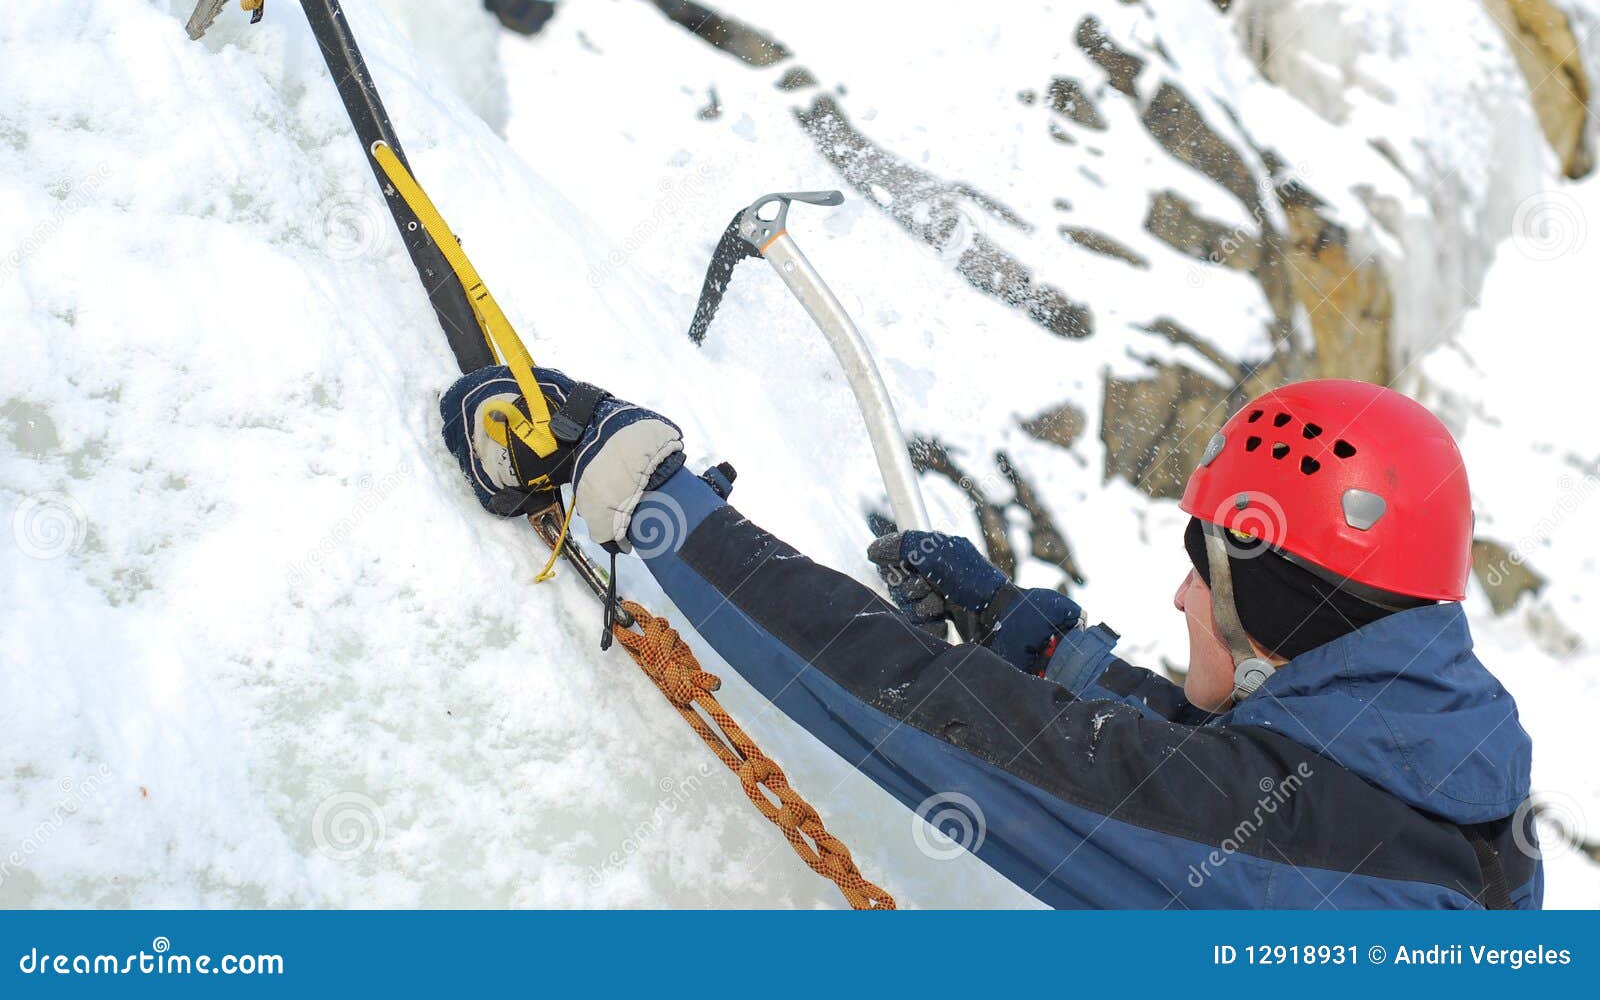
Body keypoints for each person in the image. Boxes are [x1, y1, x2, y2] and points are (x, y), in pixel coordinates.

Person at [440, 369, 1541, 909]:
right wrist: (1037, 645)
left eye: (1205, 571)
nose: (1177, 597)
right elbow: (1231, 783)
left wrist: (659, 506)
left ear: (1279, 609)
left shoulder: (1266, 841)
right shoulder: (1461, 788)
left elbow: (919, 708)